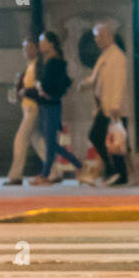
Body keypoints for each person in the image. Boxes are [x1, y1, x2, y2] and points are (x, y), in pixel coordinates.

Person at [80, 18, 139, 186]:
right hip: (105, 107)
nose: (97, 40)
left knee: (105, 138)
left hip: (113, 108)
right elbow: (96, 79)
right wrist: (85, 84)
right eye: (96, 36)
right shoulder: (106, 56)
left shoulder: (117, 57)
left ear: (109, 35)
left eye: (100, 36)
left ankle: (117, 173)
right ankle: (121, 173)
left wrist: (114, 106)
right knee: (116, 142)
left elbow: (118, 83)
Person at [28, 31, 81, 186]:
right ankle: (78, 165)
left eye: (42, 41)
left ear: (51, 43)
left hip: (51, 105)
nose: (40, 44)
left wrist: (44, 88)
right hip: (45, 105)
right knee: (50, 142)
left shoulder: (55, 62)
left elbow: (62, 83)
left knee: (50, 142)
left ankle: (46, 174)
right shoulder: (48, 61)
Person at [2, 37, 47, 185]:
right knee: (37, 141)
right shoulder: (30, 66)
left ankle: (15, 175)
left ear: (36, 48)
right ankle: (53, 170)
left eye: (28, 47)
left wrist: (25, 91)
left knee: (20, 139)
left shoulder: (37, 67)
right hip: (27, 107)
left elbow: (39, 87)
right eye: (24, 48)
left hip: (33, 108)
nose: (25, 51)